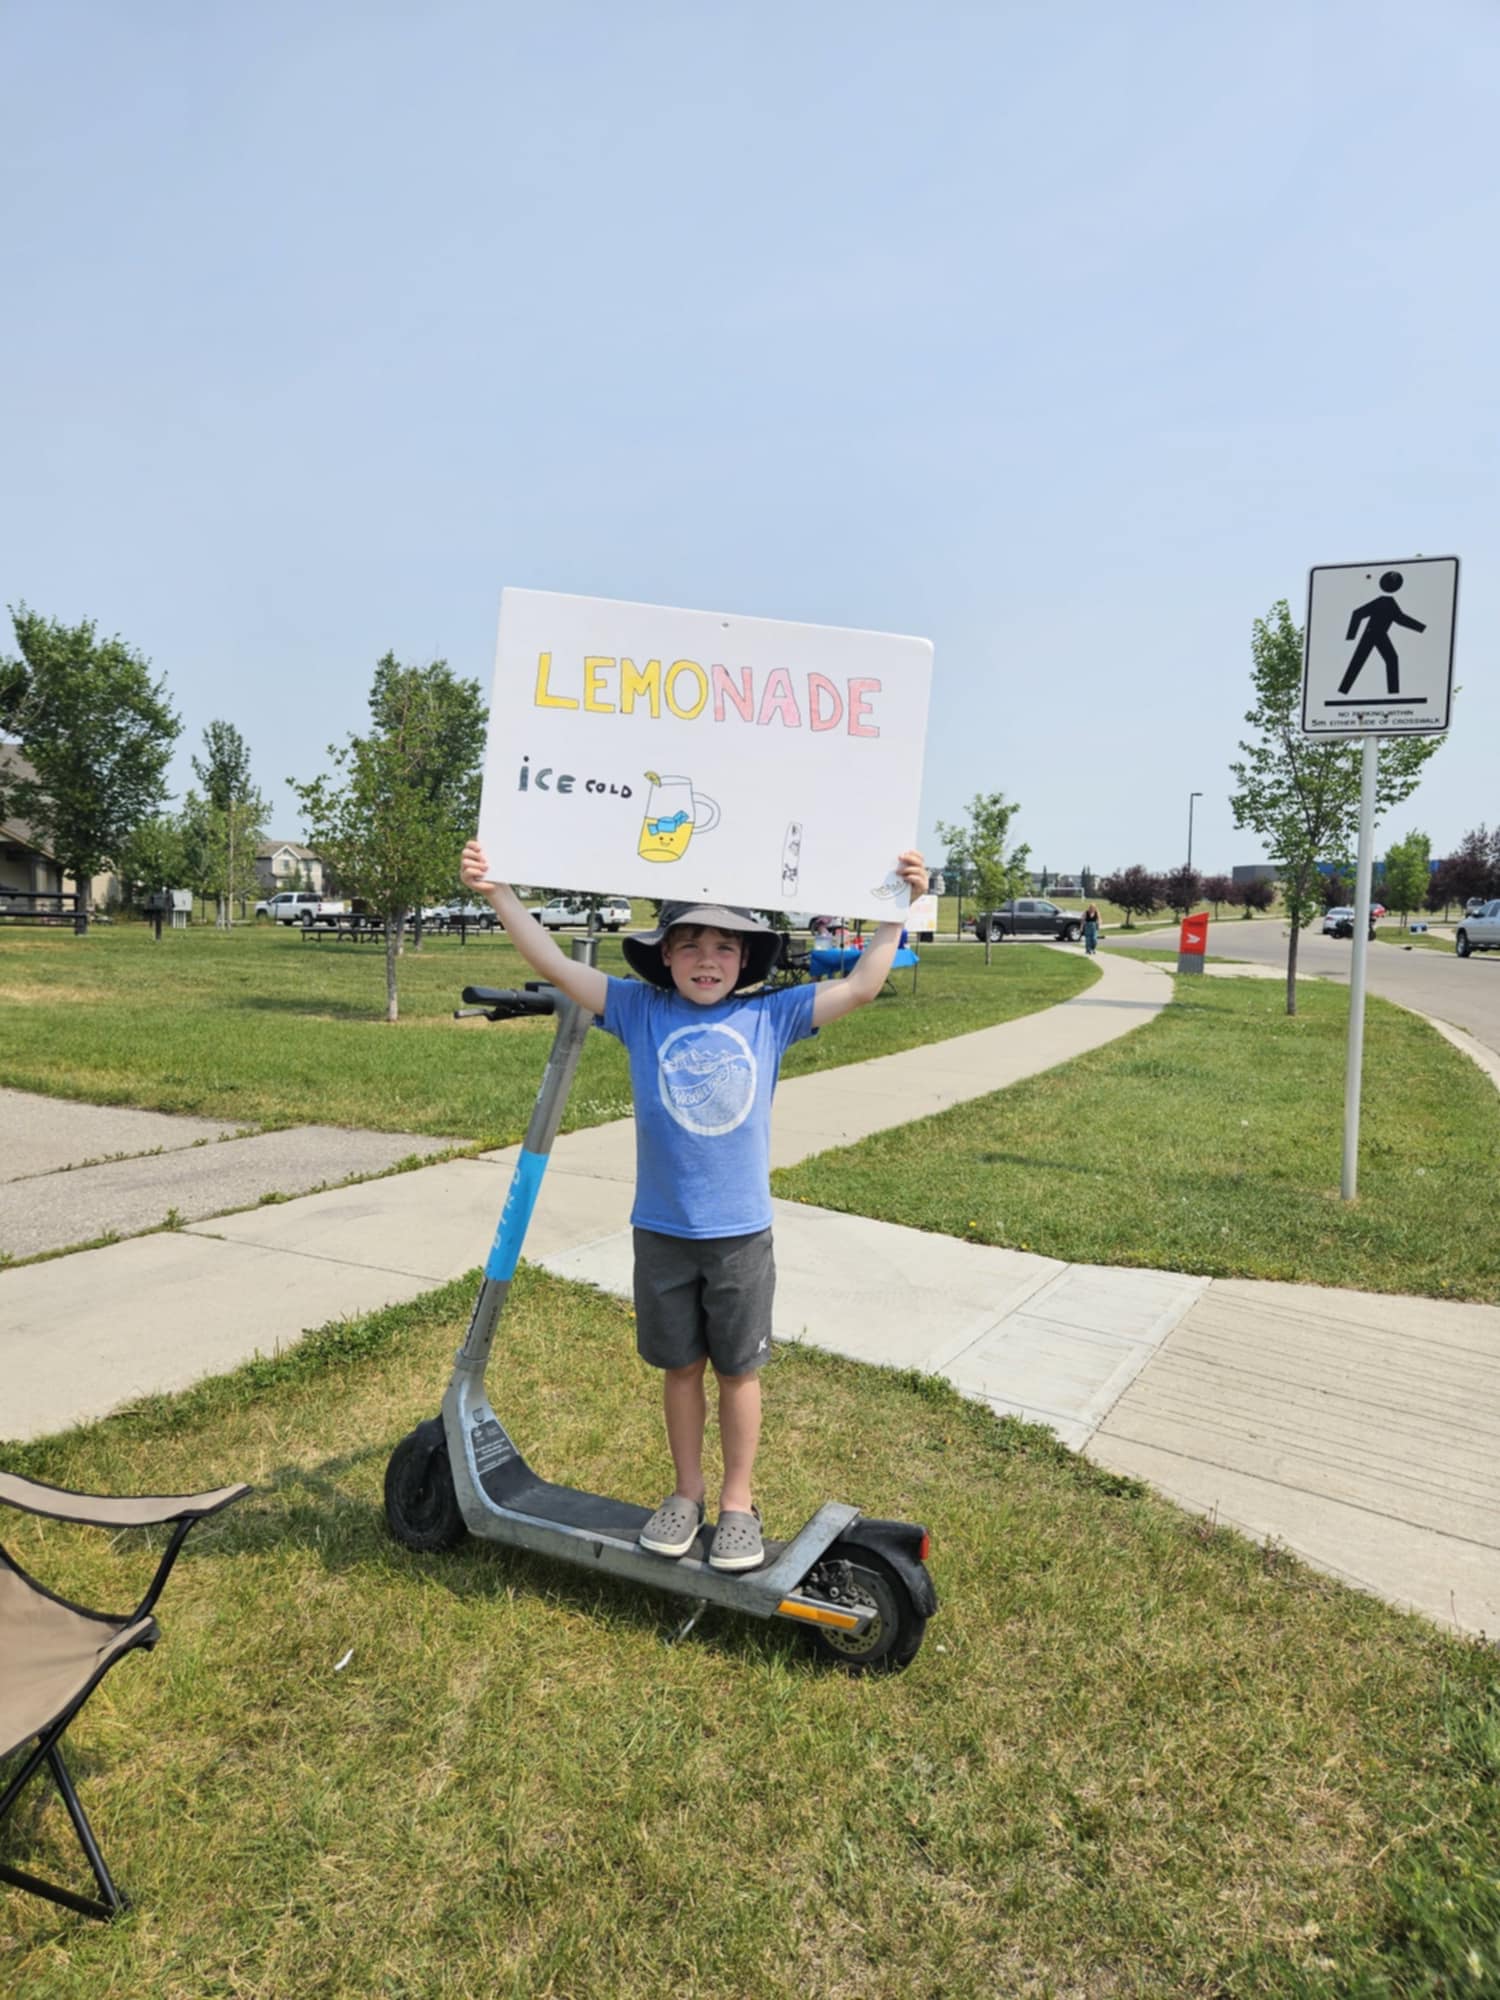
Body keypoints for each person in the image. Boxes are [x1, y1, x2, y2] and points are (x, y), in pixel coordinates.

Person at [458, 841, 929, 1573]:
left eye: (723, 946)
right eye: (689, 945)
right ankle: (686, 1494)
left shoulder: (773, 1018)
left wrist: (898, 909)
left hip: (741, 1238)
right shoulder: (639, 1010)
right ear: (664, 957)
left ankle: (738, 1504)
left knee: (739, 1373)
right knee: (680, 1370)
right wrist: (500, 894)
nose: (706, 958)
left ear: (745, 960)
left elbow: (865, 986)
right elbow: (555, 966)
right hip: (663, 1235)